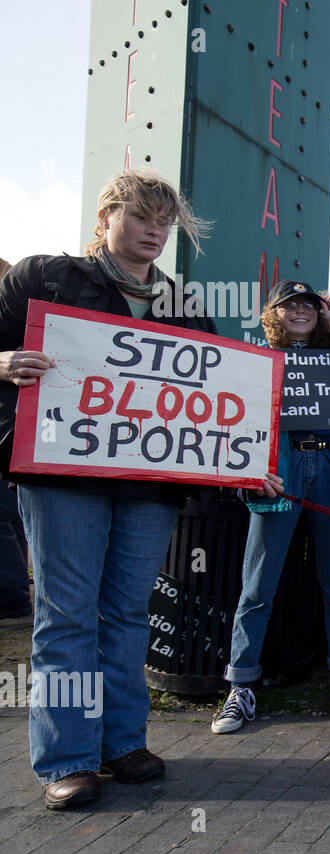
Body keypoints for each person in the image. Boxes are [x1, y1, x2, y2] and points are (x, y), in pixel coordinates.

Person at [0, 169, 214, 809]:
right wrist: (2, 363)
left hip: (148, 484)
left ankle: (121, 744)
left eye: (165, 221)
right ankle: (67, 758)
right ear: (104, 220)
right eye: (141, 215)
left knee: (125, 615)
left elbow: (212, 400)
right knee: (67, 614)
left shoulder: (184, 306)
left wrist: (243, 460)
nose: (155, 230)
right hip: (62, 474)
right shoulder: (42, 277)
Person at [212, 280, 330, 734]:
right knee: (258, 584)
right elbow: (233, 414)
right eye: (289, 305)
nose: (299, 311)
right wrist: (248, 473)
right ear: (274, 313)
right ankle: (242, 684)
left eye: (308, 305)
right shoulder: (258, 355)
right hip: (281, 470)